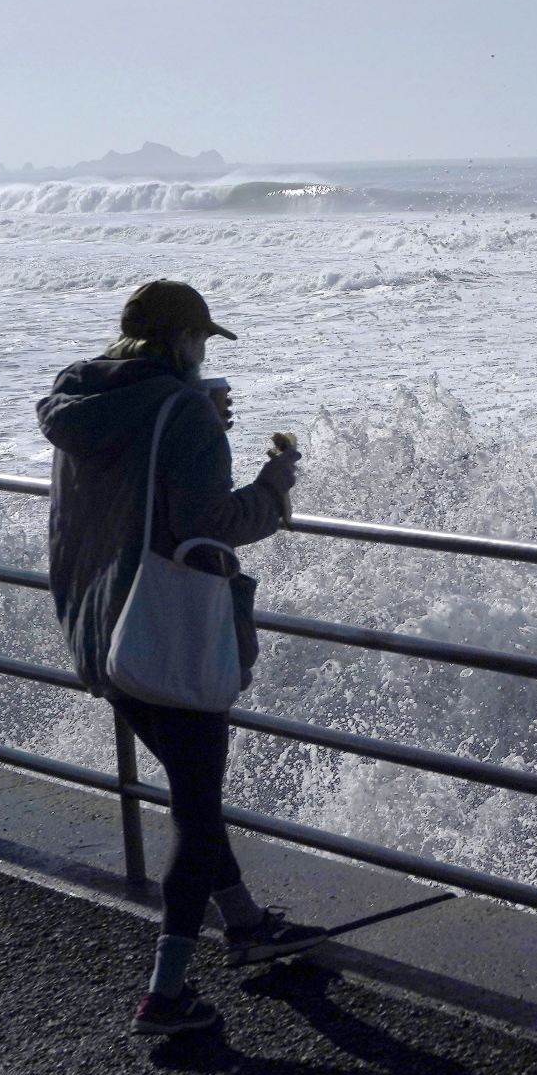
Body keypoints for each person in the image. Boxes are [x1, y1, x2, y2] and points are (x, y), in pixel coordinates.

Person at [37, 279, 327, 1036]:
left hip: (101, 630)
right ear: (181, 344)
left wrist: (194, 420)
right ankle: (164, 995)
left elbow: (134, 484)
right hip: (165, 634)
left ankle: (247, 923)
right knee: (196, 816)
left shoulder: (83, 404)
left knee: (194, 793)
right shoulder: (187, 414)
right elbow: (209, 522)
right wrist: (272, 485)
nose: (204, 355)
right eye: (201, 341)